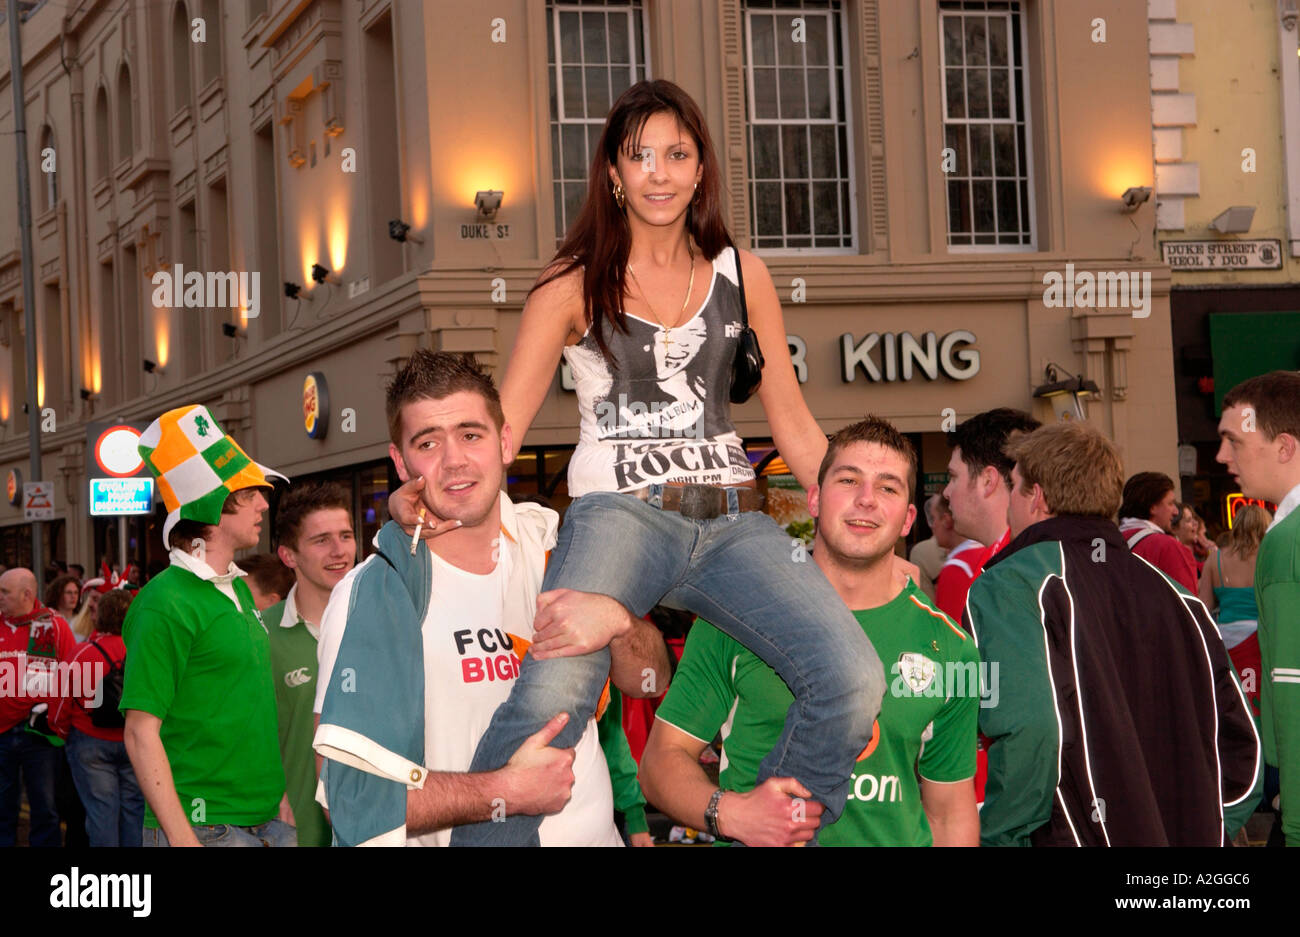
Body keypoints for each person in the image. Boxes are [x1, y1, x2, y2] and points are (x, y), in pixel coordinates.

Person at [389, 79, 890, 846]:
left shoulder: (742, 275)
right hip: (620, 514)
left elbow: (791, 422)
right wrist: (423, 493)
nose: (659, 171)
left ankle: (776, 826)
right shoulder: (569, 283)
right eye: (640, 155)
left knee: (854, 679)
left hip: (731, 521)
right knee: (553, 702)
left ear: (699, 172)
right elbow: (505, 428)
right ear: (614, 174)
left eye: (677, 154)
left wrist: (864, 510)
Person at [314, 351, 671, 846]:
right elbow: (349, 802)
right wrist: (506, 791)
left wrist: (620, 622)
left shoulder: (557, 552)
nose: (454, 459)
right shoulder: (373, 593)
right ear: (400, 463)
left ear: (504, 442)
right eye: (428, 443)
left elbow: (649, 682)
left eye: (470, 434)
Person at [642, 417, 980, 846]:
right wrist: (733, 814)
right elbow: (660, 763)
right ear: (815, 499)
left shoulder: (950, 649)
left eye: (888, 487)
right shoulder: (737, 619)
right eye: (848, 480)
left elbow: (950, 815)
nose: (866, 500)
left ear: (909, 518)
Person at [970, 421, 1261, 845]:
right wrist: (1204, 826)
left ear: (1038, 497)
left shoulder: (1010, 585)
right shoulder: (1179, 597)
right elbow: (1245, 750)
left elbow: (1029, 731)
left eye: (1013, 486)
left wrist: (998, 839)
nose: (1008, 502)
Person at [120, 404, 294, 847]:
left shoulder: (236, 587)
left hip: (266, 821)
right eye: (248, 491)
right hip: (205, 830)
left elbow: (244, 702)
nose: (263, 502)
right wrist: (182, 839)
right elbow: (141, 732)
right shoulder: (163, 601)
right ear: (212, 502)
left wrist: (280, 798)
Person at [1217, 370, 1300, 846]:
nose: (1222, 456)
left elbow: (1292, 694)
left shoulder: (1286, 543)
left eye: (1234, 440)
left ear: (1284, 447)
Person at [263, 481, 356, 847]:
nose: (339, 551)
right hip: (296, 831)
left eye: (346, 536)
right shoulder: (260, 635)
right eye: (321, 540)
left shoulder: (387, 623)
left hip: (383, 829)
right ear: (288, 556)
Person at [49, 589, 144, 847]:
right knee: (134, 810)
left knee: (101, 813)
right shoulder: (142, 651)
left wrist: (60, 732)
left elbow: (59, 705)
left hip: (89, 741)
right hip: (137, 739)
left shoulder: (82, 653)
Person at [936, 408, 1041, 625]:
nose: (946, 492)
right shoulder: (1008, 559)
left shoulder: (1017, 570)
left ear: (988, 481)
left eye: (953, 477)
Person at [0, 567, 77, 846]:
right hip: (1, 734)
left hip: (40, 736)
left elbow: (72, 676)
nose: (0, 597)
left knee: (44, 809)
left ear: (27, 594)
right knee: (3, 808)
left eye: (4, 592)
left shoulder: (50, 625)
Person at [1199, 504, 1271, 717]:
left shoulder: (1216, 559)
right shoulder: (1267, 558)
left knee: (1233, 696)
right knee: (1258, 700)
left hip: (1226, 638)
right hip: (1259, 638)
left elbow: (1204, 606)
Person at [1118, 472, 1198, 593]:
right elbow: (1189, 604)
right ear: (1153, 507)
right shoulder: (1168, 547)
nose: (1176, 512)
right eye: (1170, 503)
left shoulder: (1108, 542)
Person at [909, 494, 960, 601]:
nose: (932, 525)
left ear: (946, 520)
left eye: (933, 518)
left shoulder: (922, 552)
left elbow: (926, 607)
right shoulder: (923, 552)